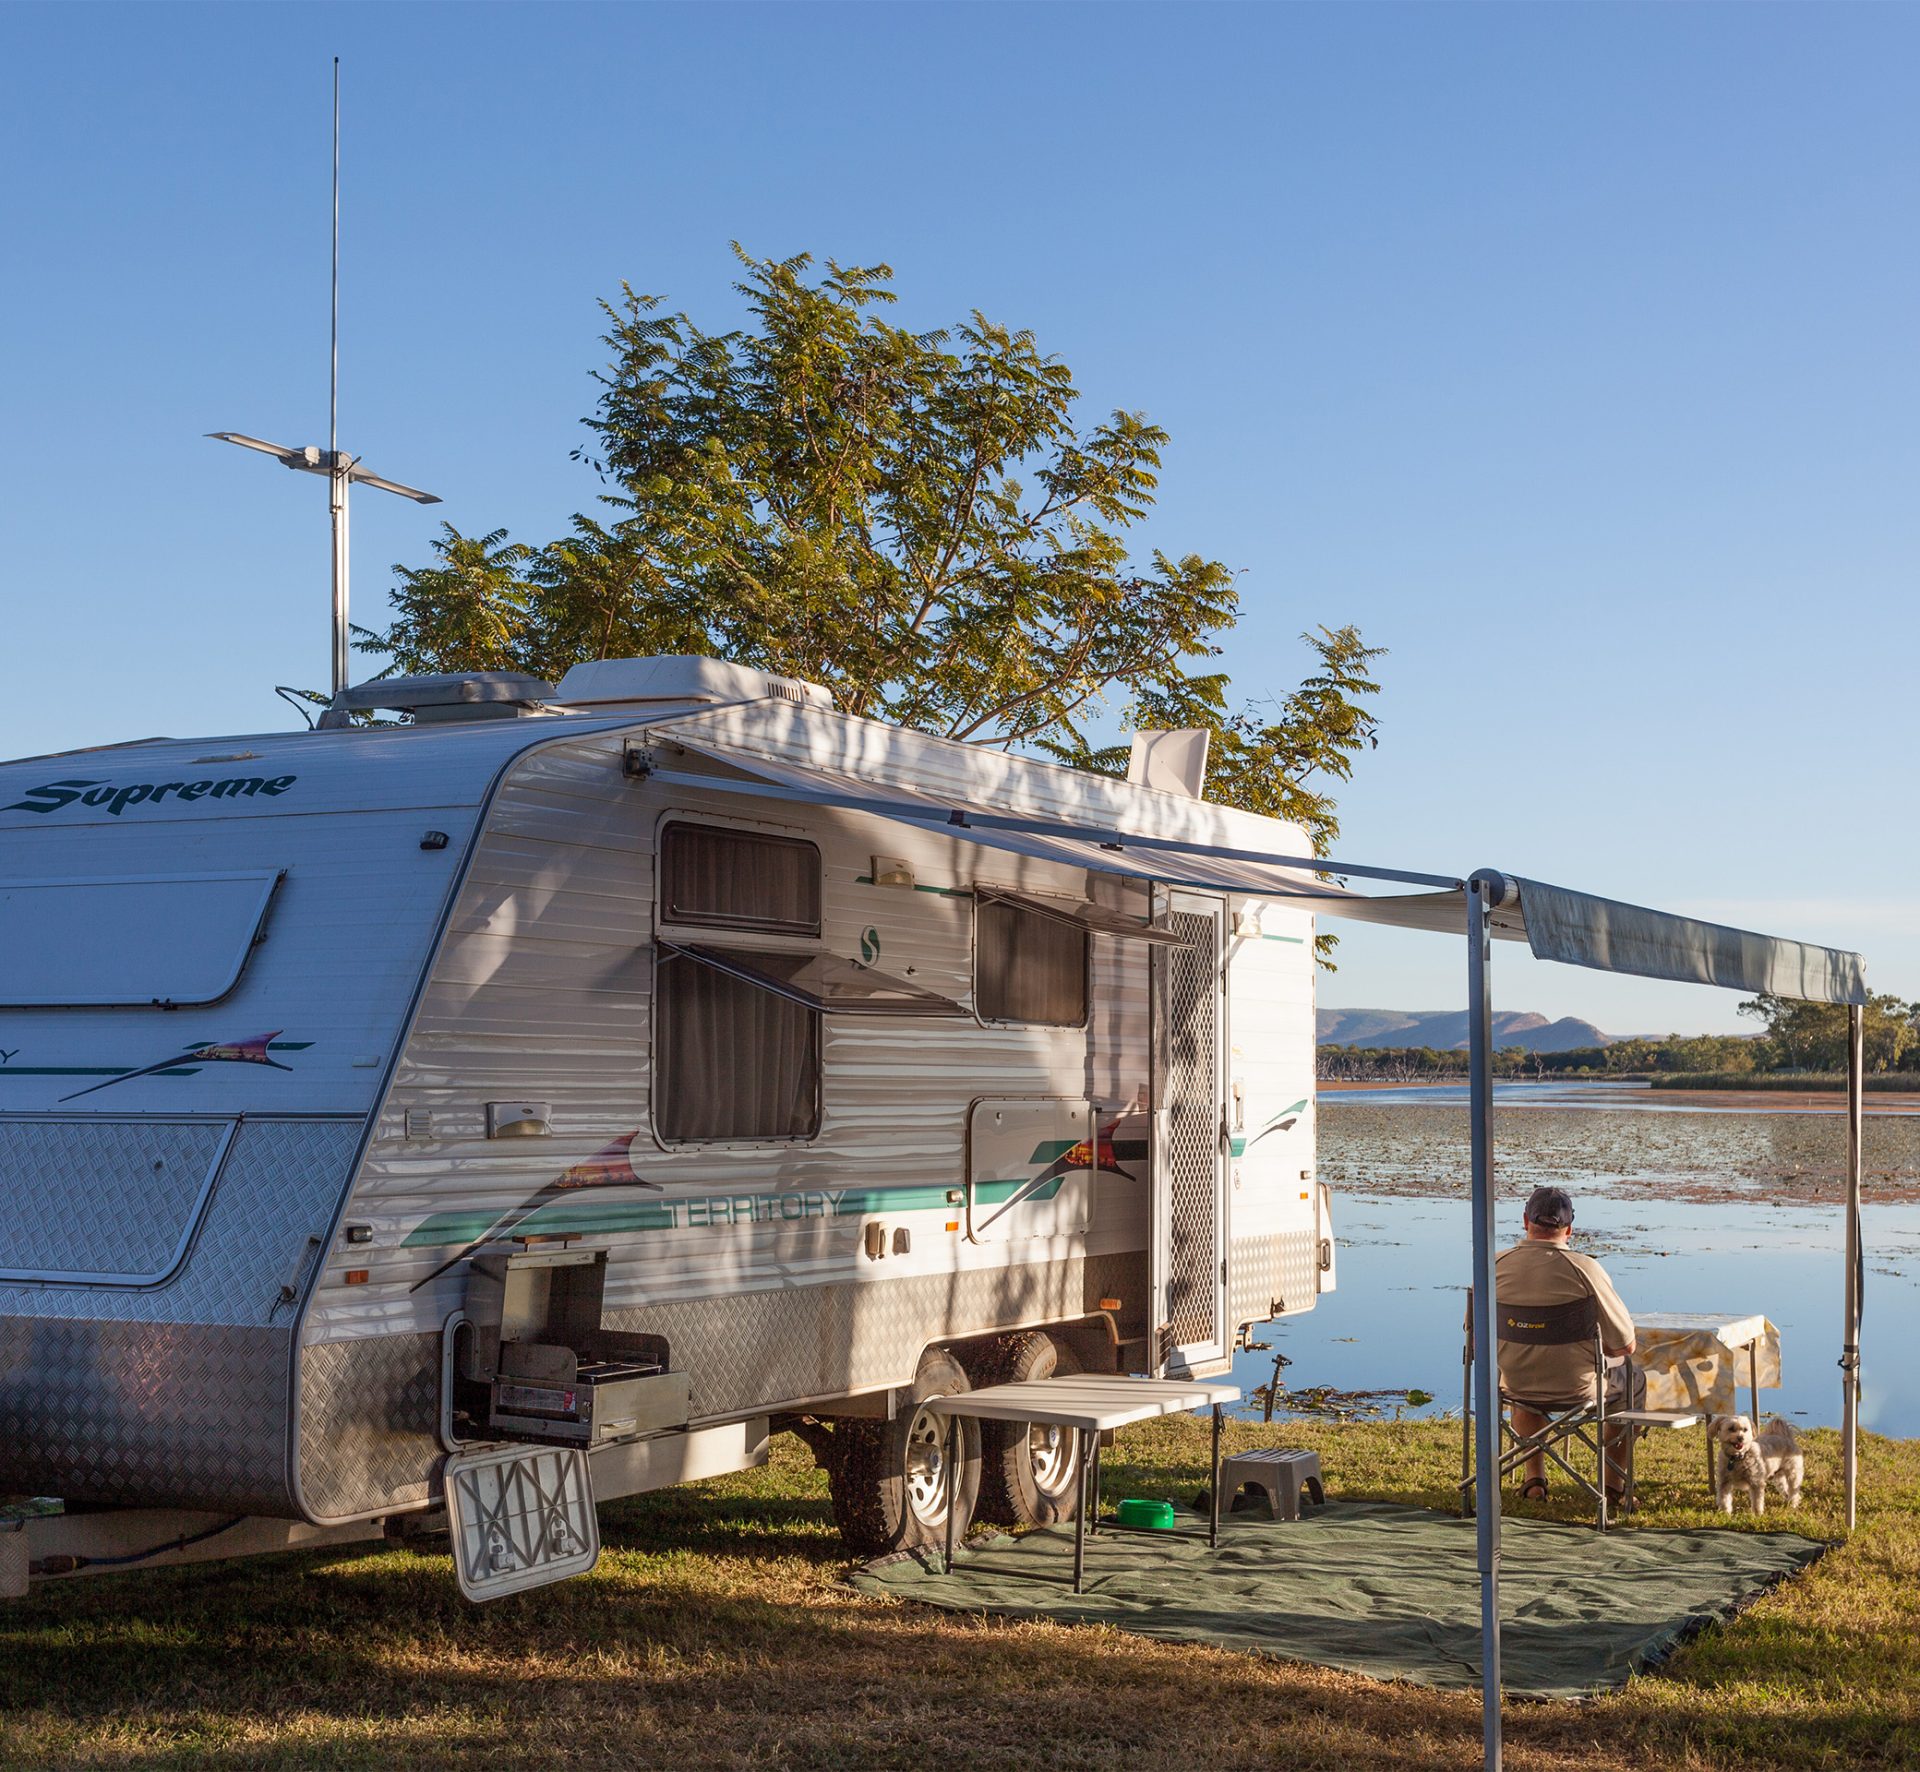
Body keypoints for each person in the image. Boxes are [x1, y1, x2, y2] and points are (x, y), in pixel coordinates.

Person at [1496, 1185, 1643, 1504]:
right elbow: (1625, 1346)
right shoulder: (1585, 1269)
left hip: (1514, 1384)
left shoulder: (1492, 1266)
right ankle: (1614, 1487)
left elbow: (1474, 1335)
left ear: (1525, 1221)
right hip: (1578, 1390)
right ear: (1570, 1229)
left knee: (1525, 1377)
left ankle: (1534, 1481)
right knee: (1633, 1381)